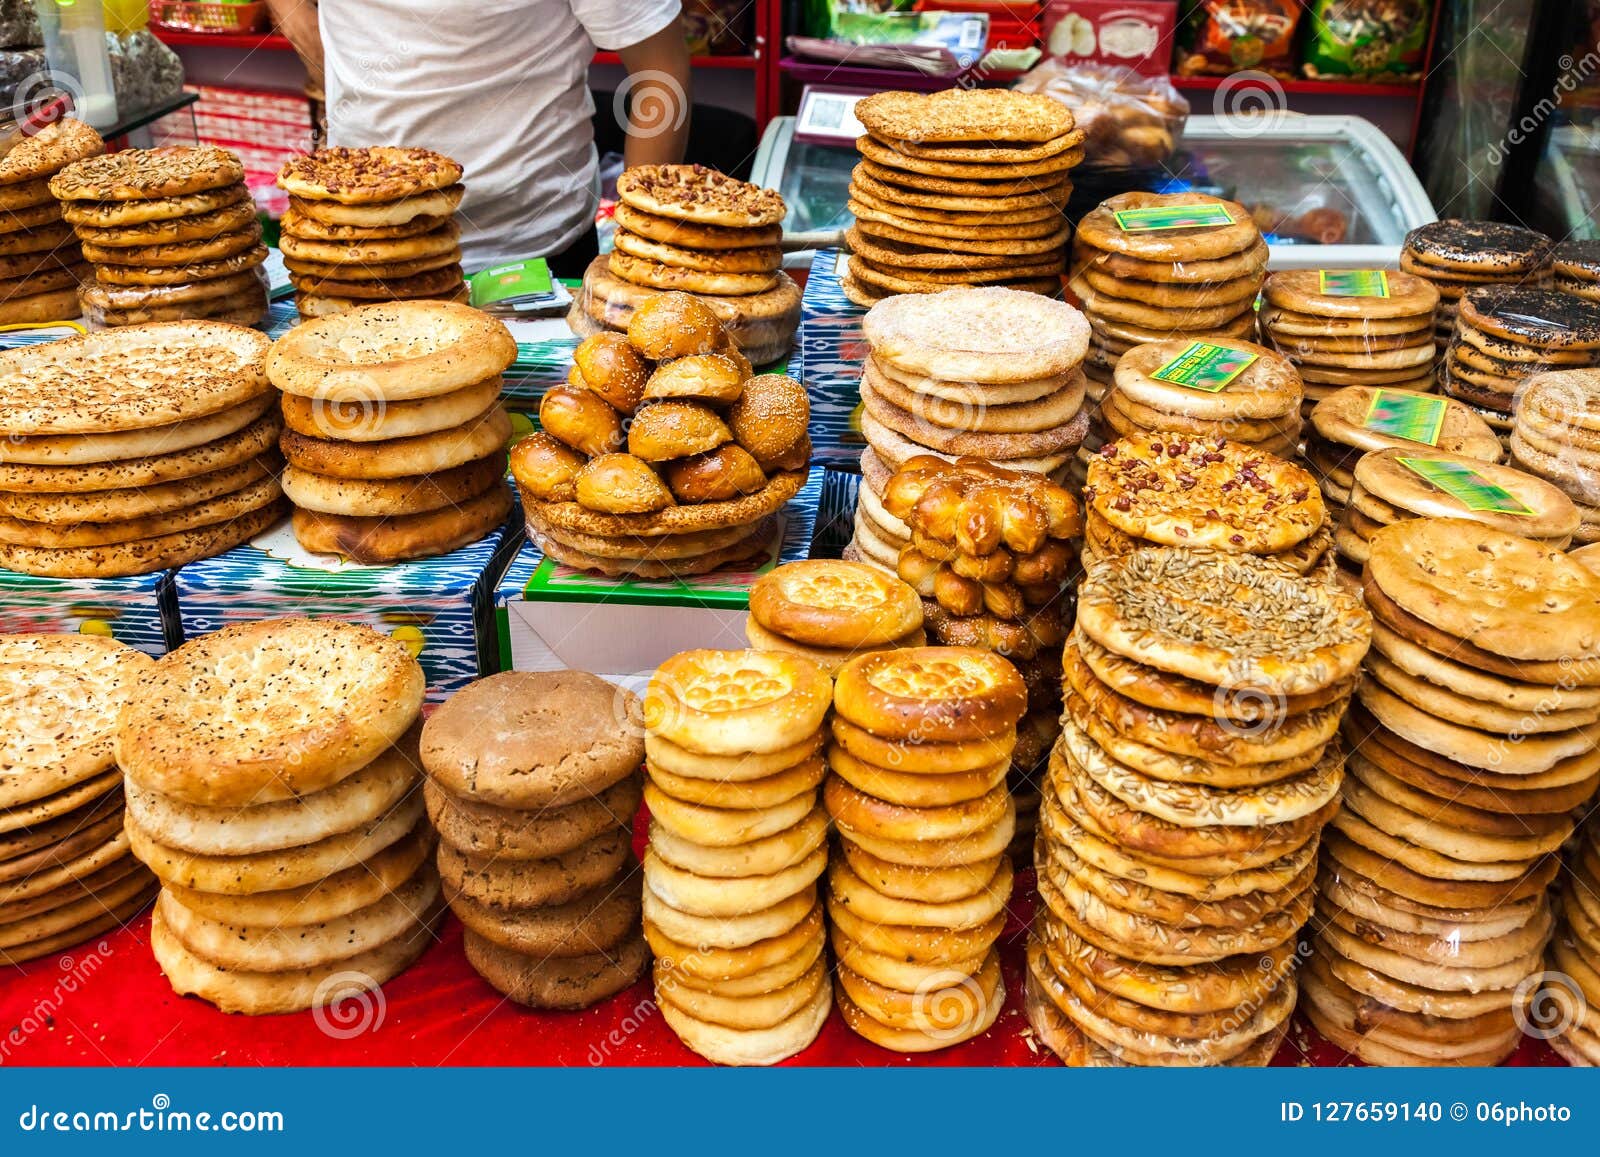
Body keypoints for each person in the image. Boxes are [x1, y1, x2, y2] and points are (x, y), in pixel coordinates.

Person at [265, 0, 692, 276]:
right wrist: (300, 23)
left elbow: (662, 69)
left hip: (534, 252)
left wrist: (642, 251)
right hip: (360, 245)